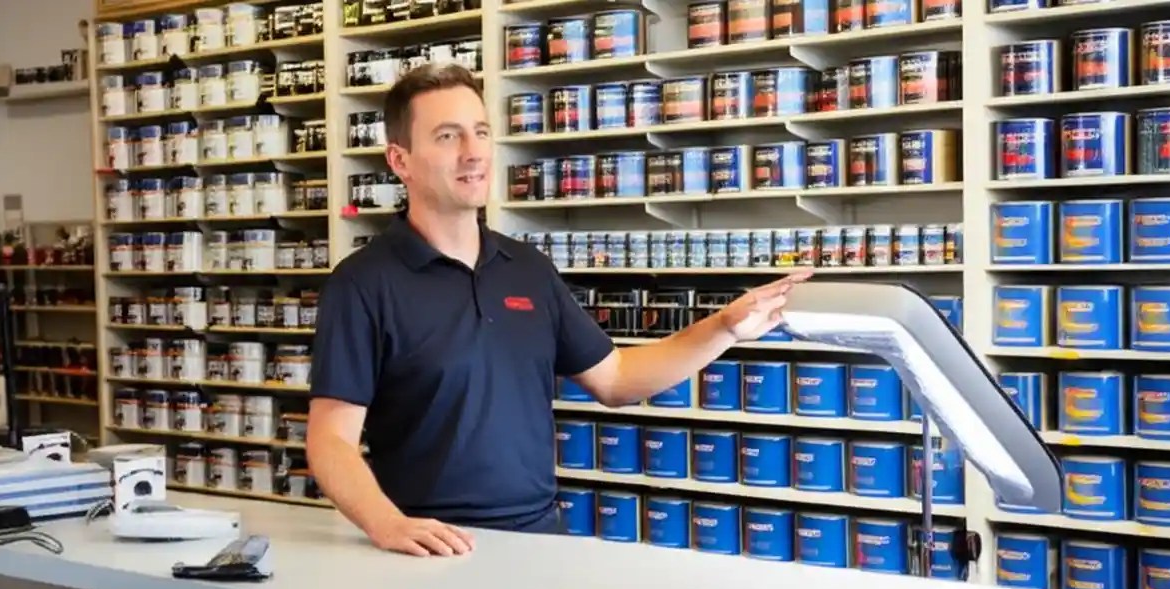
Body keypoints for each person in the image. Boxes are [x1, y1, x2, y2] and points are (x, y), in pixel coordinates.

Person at [305, 62, 811, 558]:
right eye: (447, 136)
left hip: (540, 535)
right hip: (431, 546)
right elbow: (330, 440)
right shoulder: (363, 283)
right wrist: (386, 523)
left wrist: (723, 328)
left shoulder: (526, 269)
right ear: (400, 160)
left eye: (480, 132)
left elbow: (615, 379)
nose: (473, 152)